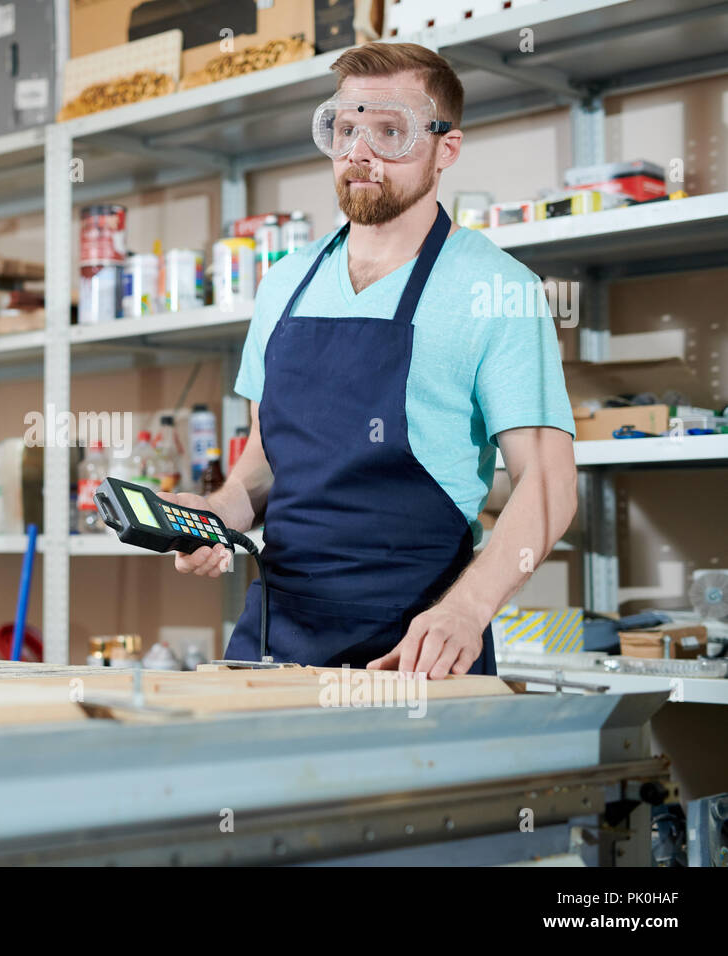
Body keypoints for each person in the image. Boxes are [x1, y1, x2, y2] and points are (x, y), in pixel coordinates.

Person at [162, 43, 577, 679]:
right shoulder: (285, 283)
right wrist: (218, 516)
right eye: (345, 128)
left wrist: (466, 611)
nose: (359, 152)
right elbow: (265, 463)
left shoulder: (497, 289)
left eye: (391, 132)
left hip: (416, 648)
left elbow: (548, 486)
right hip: (277, 640)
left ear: (447, 149)